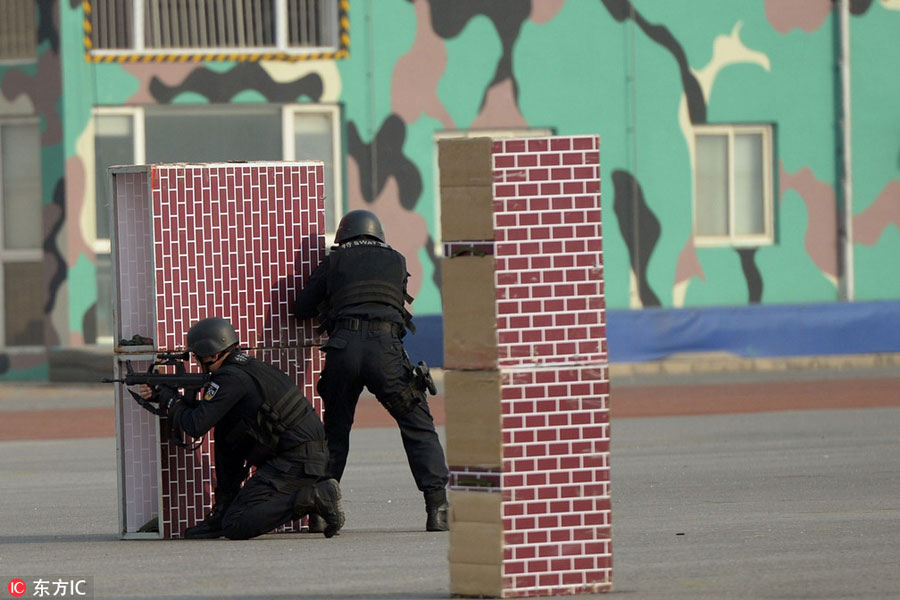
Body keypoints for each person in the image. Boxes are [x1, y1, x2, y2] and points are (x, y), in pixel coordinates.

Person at [293, 209, 450, 531]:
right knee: (418, 426)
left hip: (343, 350)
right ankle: (438, 508)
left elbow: (301, 308)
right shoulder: (396, 260)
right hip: (386, 352)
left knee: (334, 431)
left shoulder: (333, 262)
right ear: (377, 233)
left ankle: (320, 513)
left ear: (343, 236)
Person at [139, 317, 345, 540]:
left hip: (297, 462)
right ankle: (223, 509)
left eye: (198, 356)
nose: (197, 361)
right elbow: (210, 413)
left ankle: (313, 497)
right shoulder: (245, 367)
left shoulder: (231, 379)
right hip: (298, 455)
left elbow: (195, 425)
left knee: (236, 524)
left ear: (212, 355)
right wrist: (166, 396)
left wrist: (171, 400)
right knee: (228, 429)